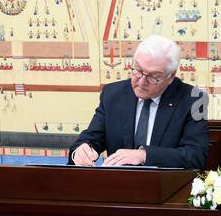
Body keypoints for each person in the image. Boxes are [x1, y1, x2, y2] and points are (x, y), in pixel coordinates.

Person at [67, 34, 208, 169]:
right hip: (118, 186)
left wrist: (144, 155)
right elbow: (90, 139)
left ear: (171, 76)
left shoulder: (193, 100)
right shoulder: (113, 95)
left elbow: (196, 156)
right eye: (138, 70)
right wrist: (80, 152)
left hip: (167, 189)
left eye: (153, 77)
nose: (141, 81)